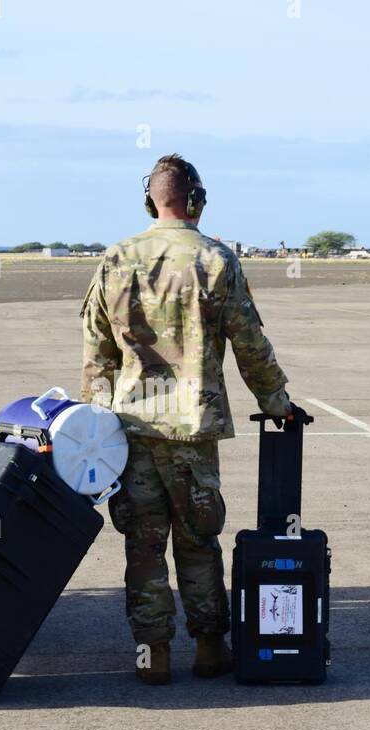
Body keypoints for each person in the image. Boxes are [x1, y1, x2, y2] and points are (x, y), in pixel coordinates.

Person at [81, 154, 302, 684]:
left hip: (130, 428)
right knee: (199, 540)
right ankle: (208, 647)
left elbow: (96, 352)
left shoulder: (116, 259)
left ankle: (153, 653)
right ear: (197, 201)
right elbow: (250, 345)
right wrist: (277, 403)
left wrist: (94, 422)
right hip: (192, 429)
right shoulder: (217, 259)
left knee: (144, 543)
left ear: (149, 200)